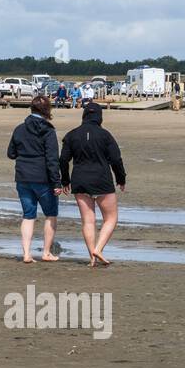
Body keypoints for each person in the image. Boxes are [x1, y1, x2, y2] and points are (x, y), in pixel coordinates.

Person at [59, 101, 126, 267]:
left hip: (80, 180)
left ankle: (92, 258)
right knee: (111, 218)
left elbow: (63, 160)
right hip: (102, 179)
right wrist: (121, 179)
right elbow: (116, 159)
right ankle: (98, 248)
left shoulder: (72, 135)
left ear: (84, 116)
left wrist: (65, 180)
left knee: (88, 221)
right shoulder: (105, 135)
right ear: (99, 117)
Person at [7, 95, 63, 263]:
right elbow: (52, 159)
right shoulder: (48, 131)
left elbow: (11, 153)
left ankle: (26, 253)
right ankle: (46, 252)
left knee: (28, 215)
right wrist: (57, 183)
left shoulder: (19, 129)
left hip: (23, 177)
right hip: (43, 178)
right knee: (51, 214)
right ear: (48, 110)